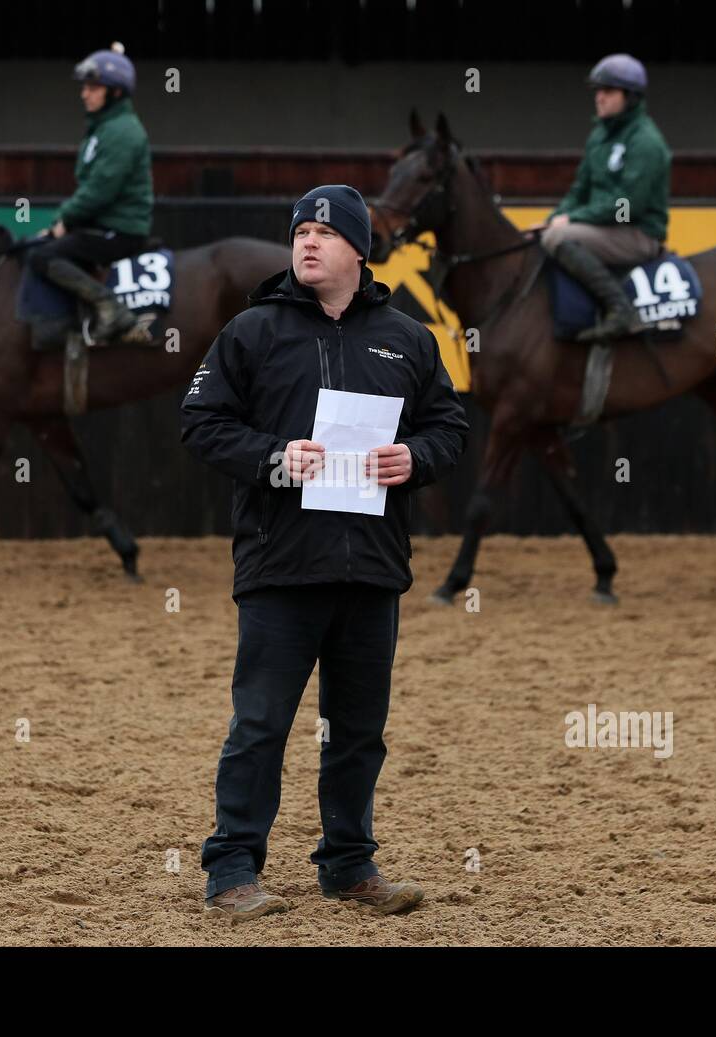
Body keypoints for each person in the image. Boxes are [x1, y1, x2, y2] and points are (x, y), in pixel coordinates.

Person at [179, 184, 469, 922]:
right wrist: (276, 457)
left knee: (359, 730)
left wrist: (417, 456)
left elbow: (450, 425)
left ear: (359, 249)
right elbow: (201, 422)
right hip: (282, 566)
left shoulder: (407, 337)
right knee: (261, 725)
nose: (306, 242)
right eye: (299, 231)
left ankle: (349, 865)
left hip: (373, 568)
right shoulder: (252, 331)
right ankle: (232, 871)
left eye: (323, 232)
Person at [535, 53, 671, 342]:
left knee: (557, 239)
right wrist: (553, 218)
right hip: (602, 228)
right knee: (539, 236)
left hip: (637, 233)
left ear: (630, 97)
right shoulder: (599, 135)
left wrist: (570, 219)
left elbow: (627, 205)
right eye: (598, 91)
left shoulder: (646, 141)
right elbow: (579, 190)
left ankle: (620, 310)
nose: (599, 98)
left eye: (608, 91)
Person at [27, 43, 153, 343]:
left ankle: (109, 308)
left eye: (94, 87)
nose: (85, 93)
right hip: (101, 226)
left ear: (116, 92)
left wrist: (65, 220)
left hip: (119, 231)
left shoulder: (122, 131)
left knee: (43, 257)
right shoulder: (105, 128)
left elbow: (100, 190)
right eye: (85, 86)